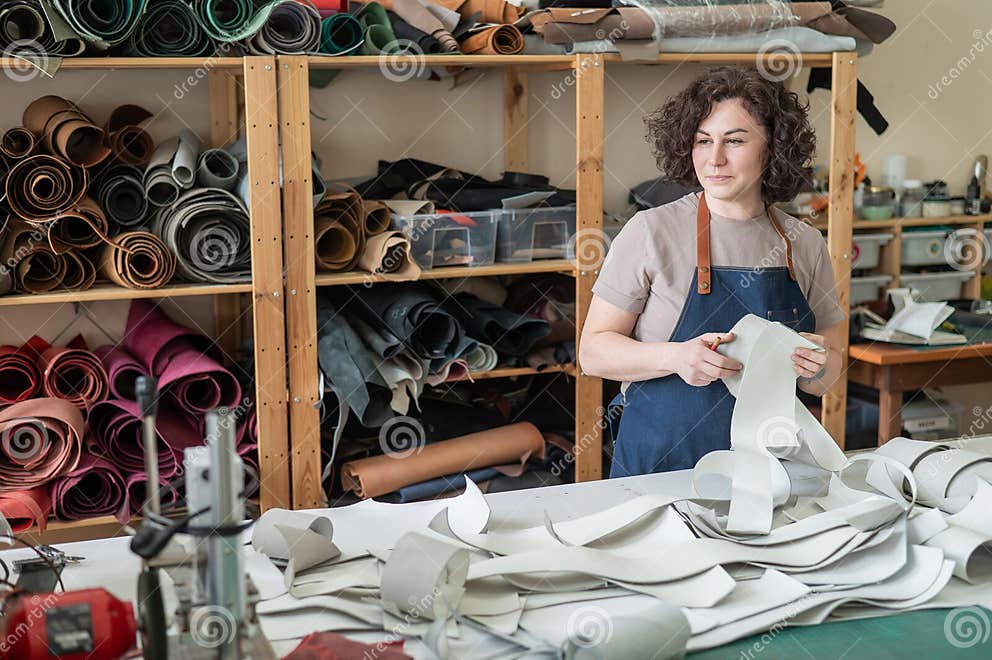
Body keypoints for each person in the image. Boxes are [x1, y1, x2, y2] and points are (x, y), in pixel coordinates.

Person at [578, 66, 845, 478]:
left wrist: (817, 366)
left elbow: (826, 377)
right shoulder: (650, 232)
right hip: (660, 469)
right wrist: (676, 358)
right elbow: (592, 353)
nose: (714, 158)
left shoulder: (803, 244)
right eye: (703, 141)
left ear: (772, 148)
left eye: (734, 141)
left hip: (769, 475)